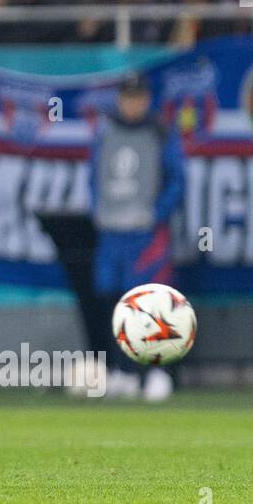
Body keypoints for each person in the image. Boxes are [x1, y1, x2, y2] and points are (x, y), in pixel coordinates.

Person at [89, 73, 186, 401]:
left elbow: (177, 180)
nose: (132, 104)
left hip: (145, 233)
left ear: (147, 99)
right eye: (127, 97)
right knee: (110, 300)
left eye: (138, 97)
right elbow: (94, 176)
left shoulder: (160, 132)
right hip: (112, 230)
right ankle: (123, 370)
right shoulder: (106, 131)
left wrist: (155, 216)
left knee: (150, 303)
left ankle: (158, 372)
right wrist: (98, 210)